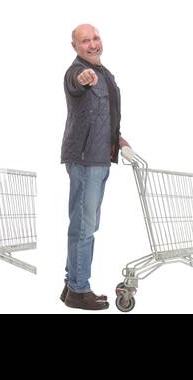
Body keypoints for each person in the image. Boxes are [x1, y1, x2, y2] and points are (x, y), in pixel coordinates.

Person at [58, 24, 140, 311]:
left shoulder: (105, 72)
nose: (92, 44)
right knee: (84, 226)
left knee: (85, 223)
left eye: (95, 38)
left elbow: (102, 114)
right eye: (85, 41)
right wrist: (83, 77)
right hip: (85, 158)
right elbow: (75, 82)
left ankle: (71, 283)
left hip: (100, 156)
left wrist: (117, 137)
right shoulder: (77, 71)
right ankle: (79, 290)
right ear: (74, 46)